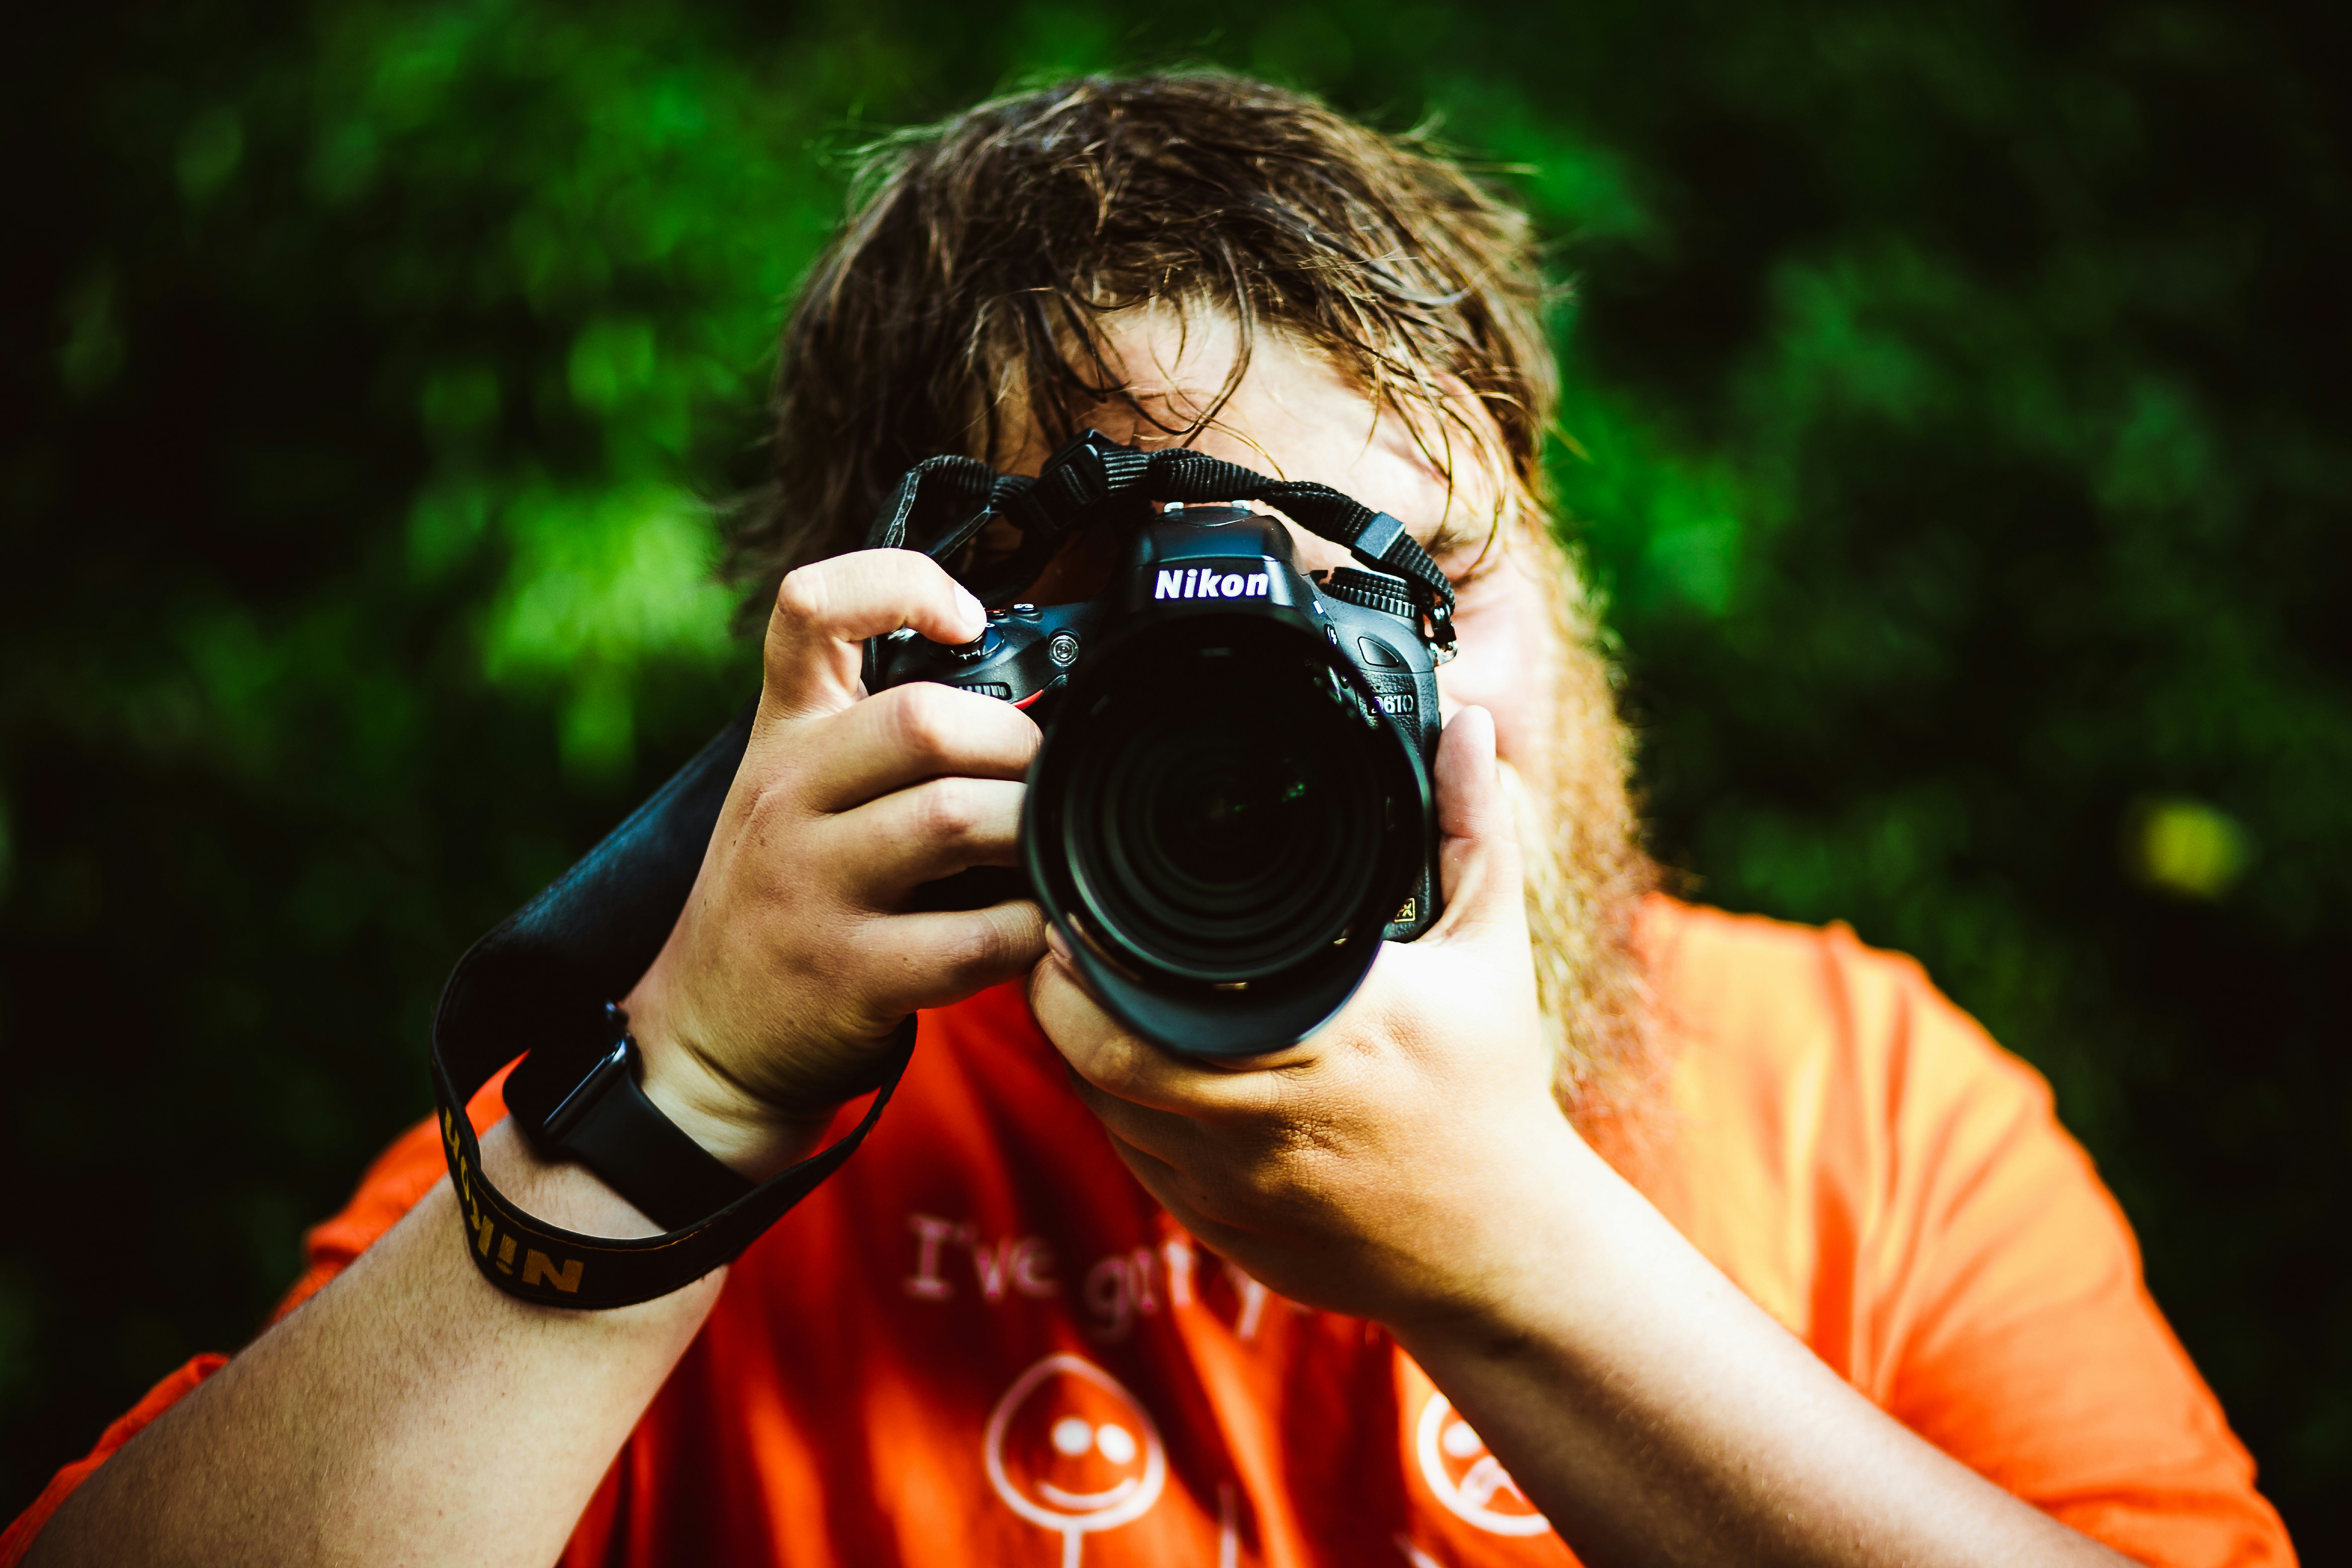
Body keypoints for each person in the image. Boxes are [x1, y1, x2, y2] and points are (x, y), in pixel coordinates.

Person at [3, 73, 2293, 1568]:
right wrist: (677, 1108)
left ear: (1571, 599)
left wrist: (1514, 1254)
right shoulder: (722, 1102)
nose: (1293, 712)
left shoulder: (1860, 1103)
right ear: (897, 654)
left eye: (1407, 591)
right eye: (1158, 634)